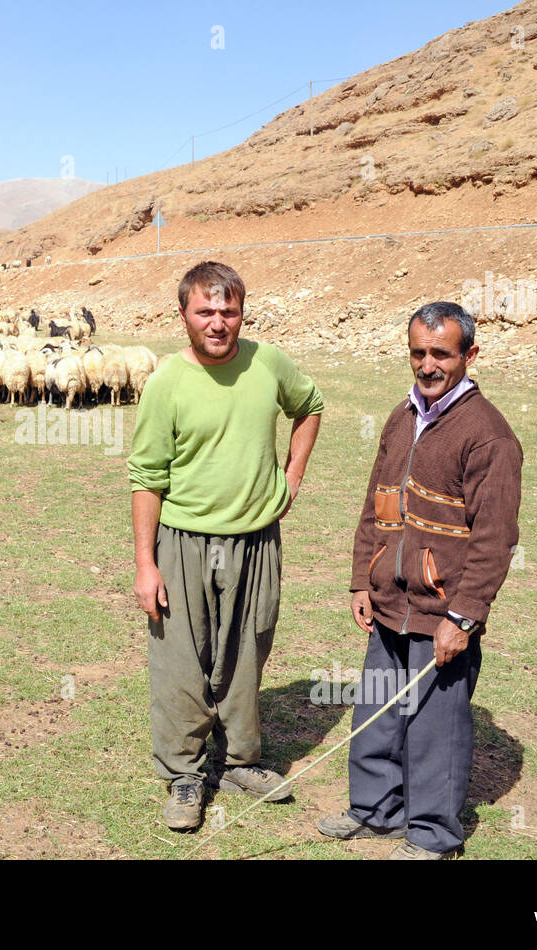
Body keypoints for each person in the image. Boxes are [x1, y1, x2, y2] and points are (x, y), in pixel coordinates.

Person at [319, 301, 522, 859]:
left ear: (469, 355)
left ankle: (433, 834)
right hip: (389, 600)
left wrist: (464, 615)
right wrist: (363, 578)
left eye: (441, 353)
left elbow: (495, 537)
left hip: (443, 612)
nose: (427, 365)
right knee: (378, 711)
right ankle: (376, 811)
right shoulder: (401, 415)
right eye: (418, 352)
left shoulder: (488, 435)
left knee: (437, 728)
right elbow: (376, 505)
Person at [128, 261, 324, 832]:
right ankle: (185, 773)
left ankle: (240, 760)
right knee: (181, 659)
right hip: (184, 541)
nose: (218, 322)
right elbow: (145, 477)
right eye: (205, 311)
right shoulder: (166, 381)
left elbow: (310, 406)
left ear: (242, 311)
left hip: (255, 540)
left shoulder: (269, 363)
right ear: (184, 315)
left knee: (246, 651)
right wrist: (146, 563)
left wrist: (294, 475)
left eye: (228, 310)